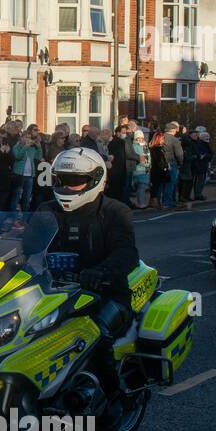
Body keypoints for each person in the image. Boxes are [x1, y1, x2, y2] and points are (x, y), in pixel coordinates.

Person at [36, 147, 140, 355]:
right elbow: (28, 248)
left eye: (75, 181)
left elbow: (126, 252)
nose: (66, 187)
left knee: (94, 337)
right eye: (61, 180)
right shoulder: (46, 210)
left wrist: (102, 272)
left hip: (104, 293)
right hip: (50, 294)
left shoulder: (115, 211)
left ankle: (112, 388)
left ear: (96, 179)